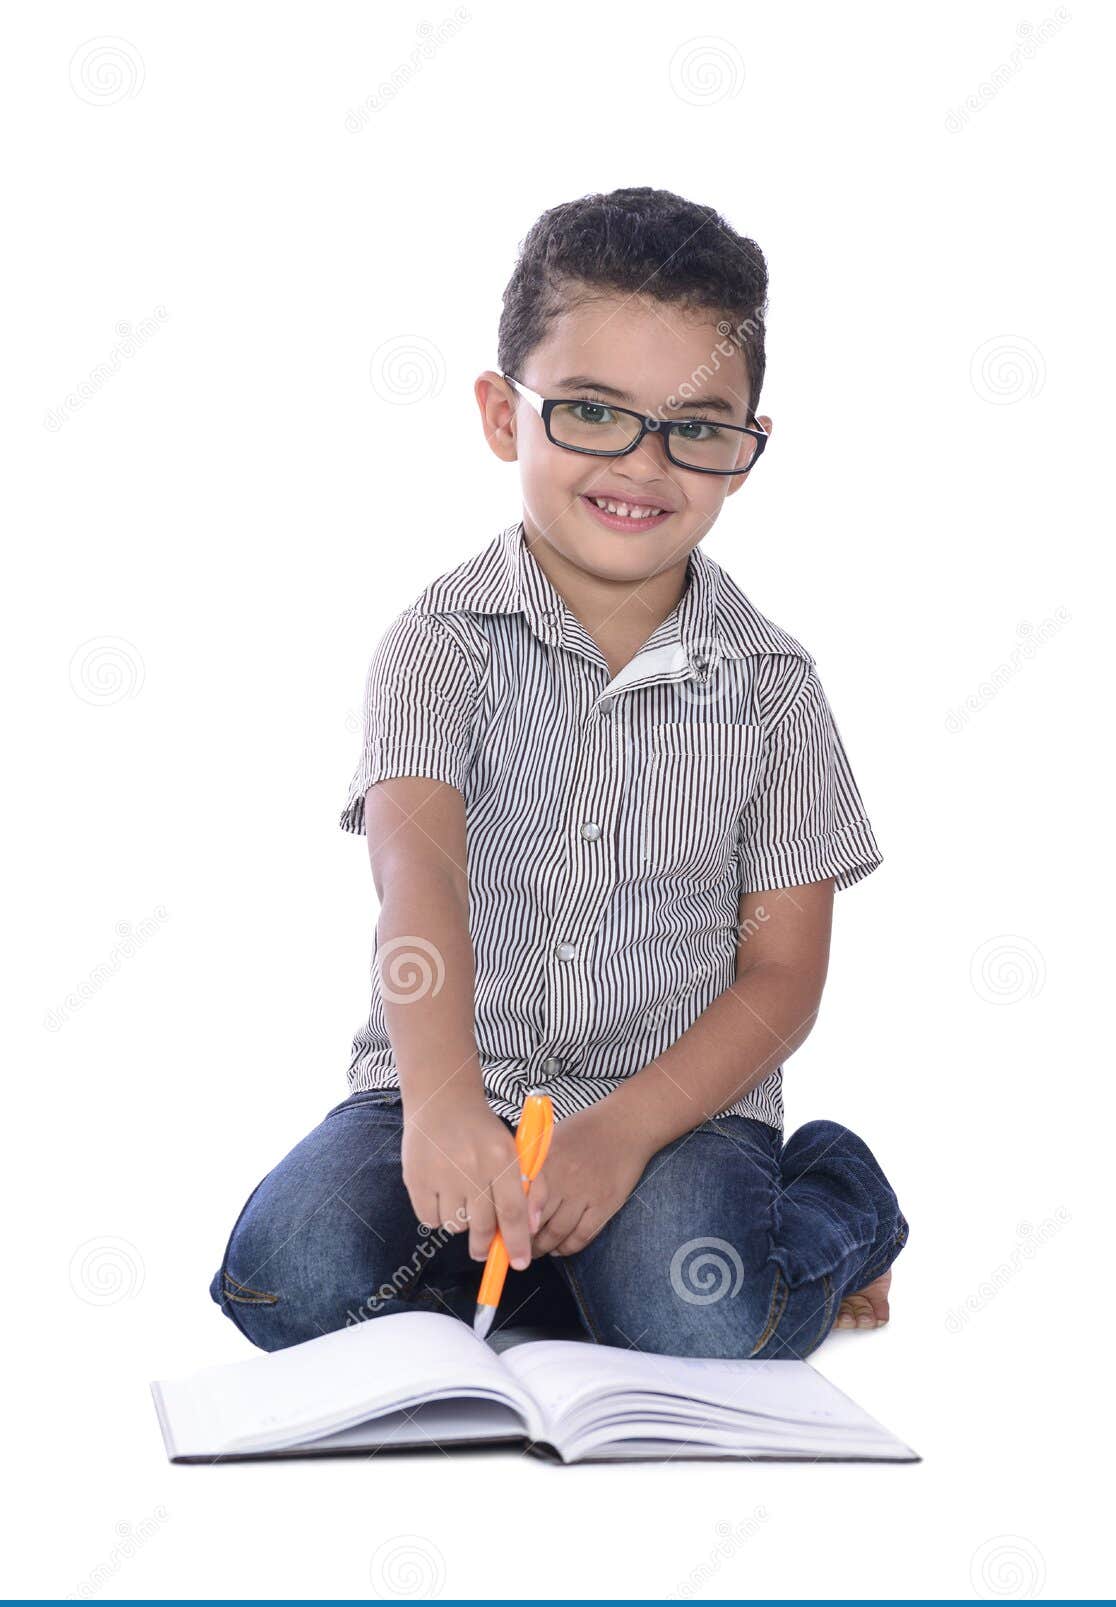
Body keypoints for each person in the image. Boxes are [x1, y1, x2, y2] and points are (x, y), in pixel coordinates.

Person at [210, 186, 908, 1360]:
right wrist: (438, 1104)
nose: (643, 464)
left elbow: (783, 976)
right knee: (295, 1283)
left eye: (696, 425)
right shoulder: (439, 642)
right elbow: (415, 894)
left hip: (680, 1110)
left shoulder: (777, 688)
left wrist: (626, 1130)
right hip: (442, 1082)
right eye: (592, 412)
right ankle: (567, 1278)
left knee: (701, 1319)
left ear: (747, 452)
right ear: (502, 413)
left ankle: (839, 1194)